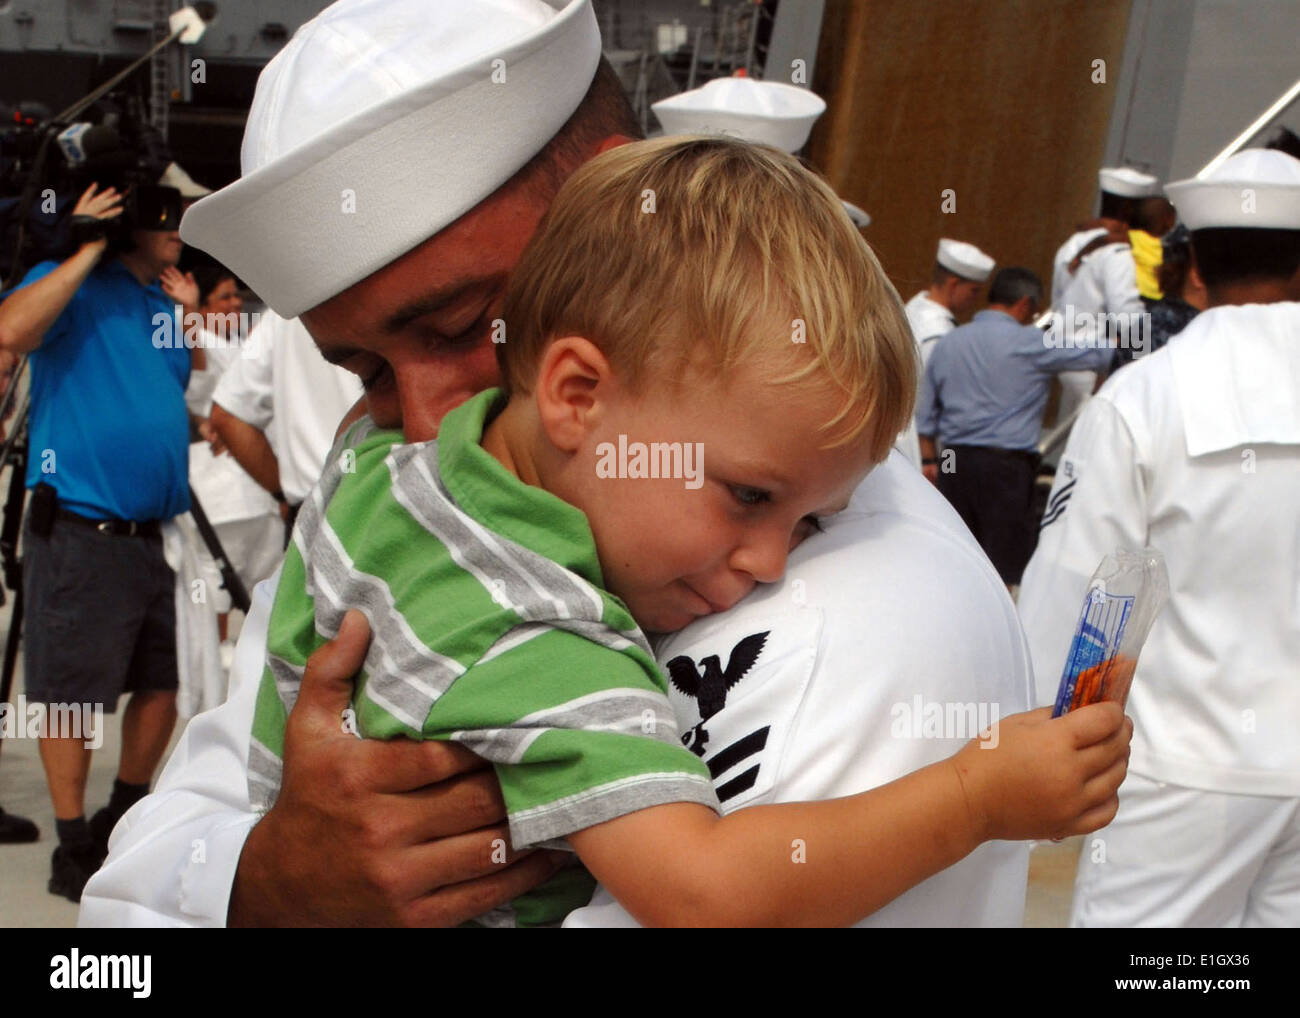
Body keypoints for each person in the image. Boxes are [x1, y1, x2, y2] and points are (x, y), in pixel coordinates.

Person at [80, 0, 1123, 927]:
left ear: (616, 206)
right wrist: (268, 881)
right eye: (365, 370)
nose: (434, 418)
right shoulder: (405, 489)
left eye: (468, 326)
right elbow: (143, 874)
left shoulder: (858, 611)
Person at [1018, 148, 1300, 927]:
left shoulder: (1147, 397)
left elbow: (1086, 593)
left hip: (1186, 775)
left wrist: (1052, 746)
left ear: (1194, 265)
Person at [0, 180, 192, 901]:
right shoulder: (70, 284)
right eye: (161, 222)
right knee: (72, 696)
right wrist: (86, 250)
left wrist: (185, 318)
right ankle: (73, 841)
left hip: (151, 536)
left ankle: (121, 815)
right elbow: (11, 332)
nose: (176, 231)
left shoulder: (154, 302)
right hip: (82, 525)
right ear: (125, 229)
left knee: (162, 685)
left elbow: (178, 383)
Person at [915, 267, 1112, 586]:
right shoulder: (1032, 342)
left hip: (952, 462)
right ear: (1024, 304)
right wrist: (1131, 332)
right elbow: (1101, 355)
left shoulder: (950, 342)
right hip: (1006, 468)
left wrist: (928, 461)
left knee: (955, 557)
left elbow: (925, 414)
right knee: (1005, 569)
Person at [183, 264, 283, 650]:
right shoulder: (199, 341)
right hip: (218, 492)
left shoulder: (243, 343)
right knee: (214, 592)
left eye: (236, 295)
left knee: (262, 591)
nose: (234, 304)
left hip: (259, 493)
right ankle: (216, 670)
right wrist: (189, 311)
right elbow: (195, 383)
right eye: (222, 297)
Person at [210, 309, 363, 545]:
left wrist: (285, 496)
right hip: (388, 502)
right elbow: (227, 416)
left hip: (310, 518)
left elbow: (228, 415)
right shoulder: (404, 284)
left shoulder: (284, 312)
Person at [1048, 166, 1160, 428]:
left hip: (1065, 353)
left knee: (1076, 430)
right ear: (1130, 211)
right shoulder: (1119, 253)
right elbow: (1128, 319)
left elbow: (1058, 300)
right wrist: (1147, 355)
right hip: (1098, 363)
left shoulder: (1072, 244)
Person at [903, 239, 995, 368]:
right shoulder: (939, 335)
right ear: (953, 285)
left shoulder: (912, 307)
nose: (976, 298)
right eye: (974, 291)